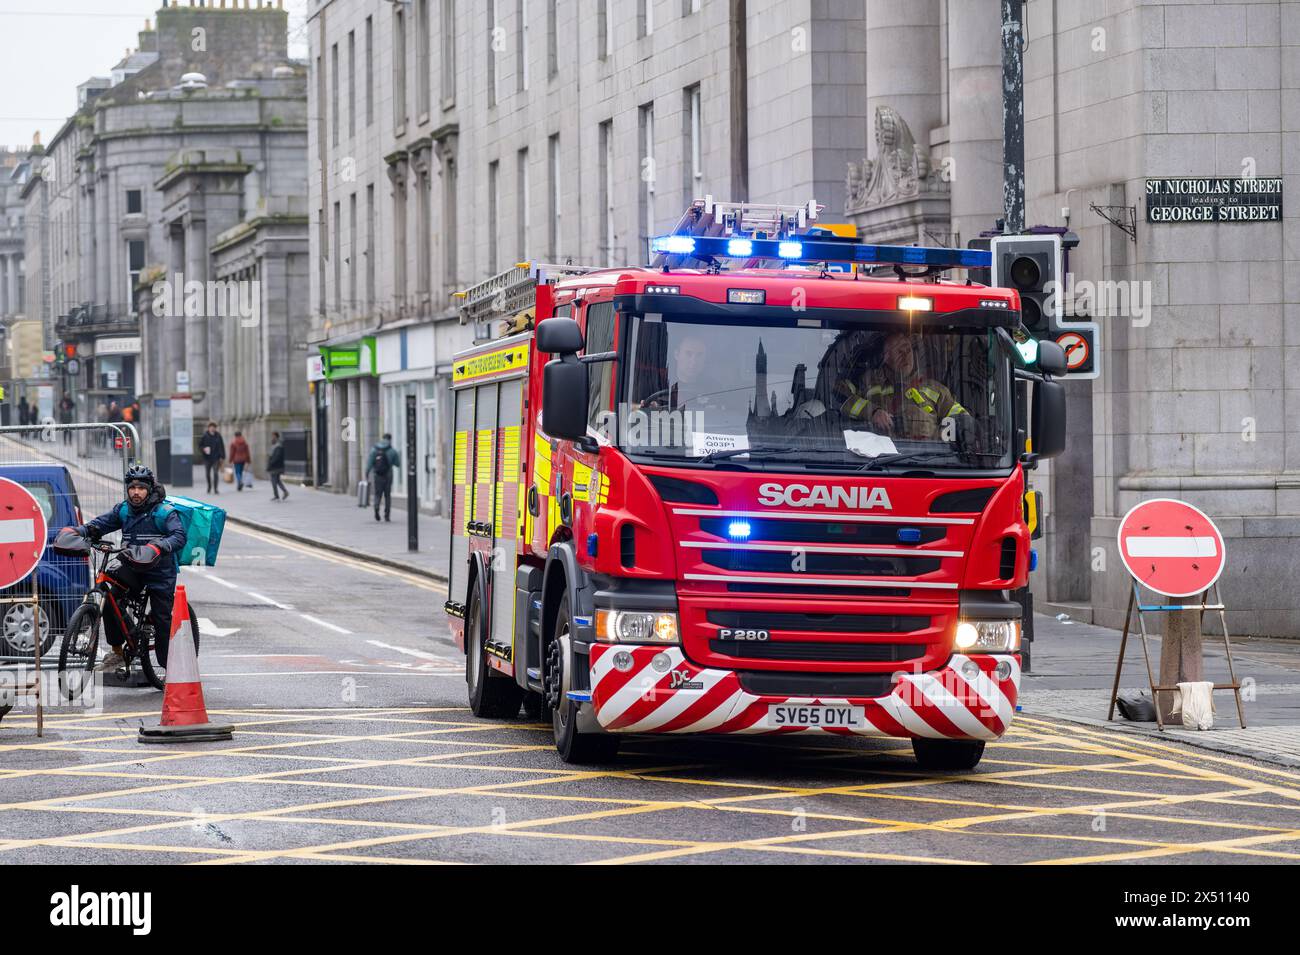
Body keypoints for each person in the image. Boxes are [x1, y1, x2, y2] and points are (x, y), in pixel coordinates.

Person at [74, 465, 186, 671]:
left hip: (160, 573)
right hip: (133, 568)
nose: (136, 492)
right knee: (108, 598)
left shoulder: (164, 513)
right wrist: (82, 531)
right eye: (132, 487)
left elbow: (179, 536)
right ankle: (119, 649)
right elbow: (102, 523)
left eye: (141, 488)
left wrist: (158, 546)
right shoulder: (124, 510)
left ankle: (171, 668)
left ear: (150, 489)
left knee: (162, 618)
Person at [838, 331, 968, 440]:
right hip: (877, 460)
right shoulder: (867, 382)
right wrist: (873, 412)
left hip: (925, 461)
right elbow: (839, 395)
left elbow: (964, 423)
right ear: (886, 357)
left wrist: (932, 431)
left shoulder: (935, 390)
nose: (906, 355)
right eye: (899, 351)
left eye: (908, 350)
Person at [365, 434, 400, 522]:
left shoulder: (374, 449)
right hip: (388, 475)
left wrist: (367, 472)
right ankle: (387, 515)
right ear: (390, 439)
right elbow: (398, 464)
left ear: (382, 438)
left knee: (378, 494)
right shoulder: (392, 450)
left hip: (377, 475)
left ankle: (376, 507)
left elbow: (369, 463)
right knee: (387, 495)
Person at [198, 421, 226, 494]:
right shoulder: (205, 436)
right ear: (209, 428)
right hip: (207, 458)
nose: (212, 429)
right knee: (207, 473)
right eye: (211, 427)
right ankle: (209, 486)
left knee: (215, 473)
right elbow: (200, 445)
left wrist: (222, 456)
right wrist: (203, 449)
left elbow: (222, 446)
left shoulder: (218, 436)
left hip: (216, 458)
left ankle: (216, 488)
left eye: (214, 427)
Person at [267, 431, 289, 501]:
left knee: (274, 481)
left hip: (276, 466)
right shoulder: (274, 445)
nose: (272, 437)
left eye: (273, 436)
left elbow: (276, 457)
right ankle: (283, 492)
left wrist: (271, 464)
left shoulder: (278, 446)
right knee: (277, 481)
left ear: (276, 437)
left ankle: (278, 495)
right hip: (275, 466)